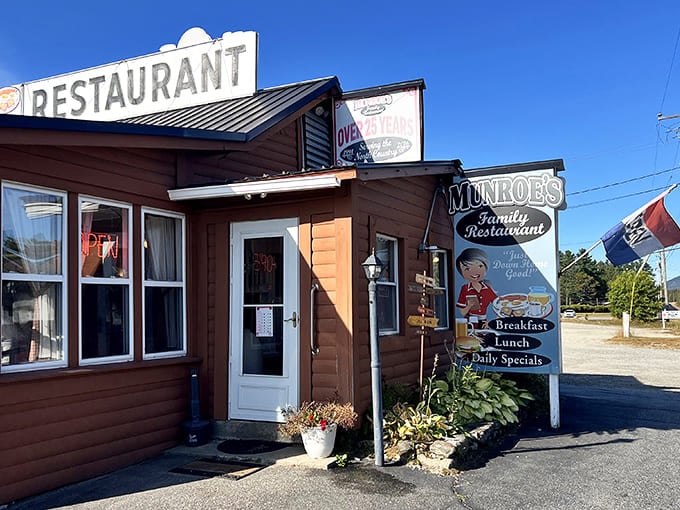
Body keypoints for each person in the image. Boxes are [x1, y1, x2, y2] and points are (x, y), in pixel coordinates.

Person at [455, 247, 497, 329]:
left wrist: (492, 323)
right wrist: (469, 306)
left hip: (483, 322)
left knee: (486, 340)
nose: (474, 272)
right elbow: (462, 312)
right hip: (469, 323)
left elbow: (499, 307)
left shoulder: (487, 288)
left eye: (479, 266)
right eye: (467, 269)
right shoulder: (465, 288)